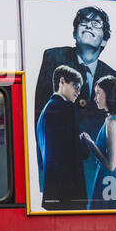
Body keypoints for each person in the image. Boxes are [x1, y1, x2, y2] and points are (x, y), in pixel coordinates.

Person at [33, 6, 116, 199]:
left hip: (102, 178)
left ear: (105, 39)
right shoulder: (52, 57)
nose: (88, 26)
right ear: (74, 33)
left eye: (96, 24)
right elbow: (41, 124)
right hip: (64, 177)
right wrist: (44, 178)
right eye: (83, 22)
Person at [36, 65, 88, 210]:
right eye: (76, 86)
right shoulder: (67, 108)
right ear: (62, 81)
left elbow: (41, 160)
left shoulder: (43, 114)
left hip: (52, 194)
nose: (78, 92)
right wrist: (85, 142)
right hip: (70, 195)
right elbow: (80, 152)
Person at [79, 75, 116, 210]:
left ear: (108, 94)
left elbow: (111, 165)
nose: (95, 98)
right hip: (112, 179)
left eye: (98, 93)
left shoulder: (111, 122)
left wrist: (90, 143)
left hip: (109, 179)